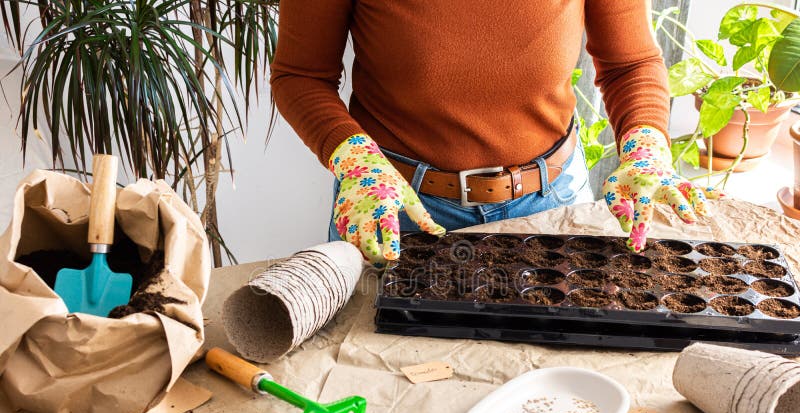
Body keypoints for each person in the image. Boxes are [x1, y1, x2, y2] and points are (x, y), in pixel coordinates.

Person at [270, 1, 720, 267]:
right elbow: (300, 75)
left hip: (553, 201)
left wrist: (645, 150)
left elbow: (630, 63)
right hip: (393, 207)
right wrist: (357, 165)